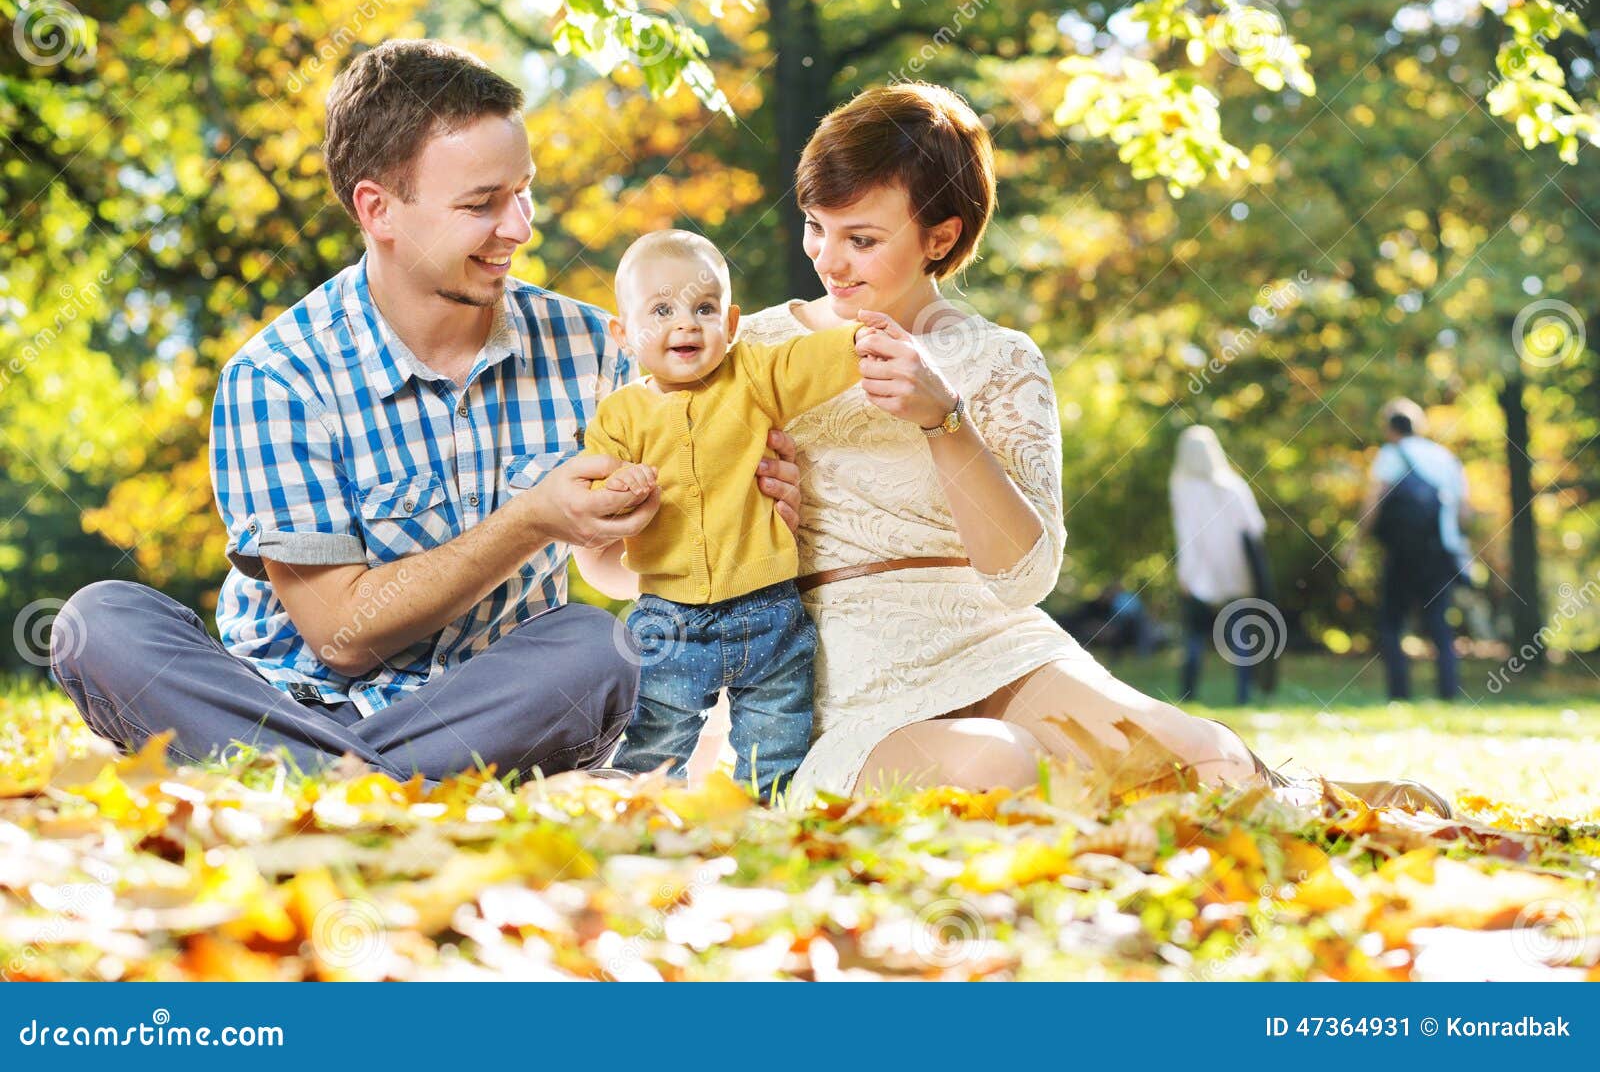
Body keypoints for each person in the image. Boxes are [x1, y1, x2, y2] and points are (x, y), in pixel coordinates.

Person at [46, 40, 807, 786]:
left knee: (597, 646)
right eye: (482, 204)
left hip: (485, 706)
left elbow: (619, 564)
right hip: (281, 702)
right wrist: (533, 518)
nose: (519, 227)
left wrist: (742, 503)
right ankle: (362, 783)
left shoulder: (592, 350)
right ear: (378, 209)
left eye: (523, 190)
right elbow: (340, 638)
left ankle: (303, 785)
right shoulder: (277, 376)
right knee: (98, 620)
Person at [733, 82, 1449, 816]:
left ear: (939, 238)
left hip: (992, 642)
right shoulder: (749, 348)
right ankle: (1183, 797)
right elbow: (664, 557)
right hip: (836, 668)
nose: (828, 258)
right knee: (1000, 766)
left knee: (1208, 764)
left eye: (862, 239)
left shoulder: (1000, 360)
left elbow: (1023, 577)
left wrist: (943, 420)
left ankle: (1287, 793)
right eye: (816, 226)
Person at [576, 230, 873, 799]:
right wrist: (620, 484)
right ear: (623, 334)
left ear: (731, 325)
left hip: (769, 609)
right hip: (670, 617)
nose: (686, 324)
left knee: (778, 735)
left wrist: (859, 340)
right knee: (657, 737)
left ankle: (761, 823)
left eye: (704, 308)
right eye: (660, 310)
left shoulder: (753, 379)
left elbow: (804, 362)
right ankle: (648, 824)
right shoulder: (620, 415)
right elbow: (593, 495)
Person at [1361, 398, 1470, 701]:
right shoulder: (1444, 457)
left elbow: (1373, 502)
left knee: (1392, 622)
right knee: (1439, 621)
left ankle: (1399, 693)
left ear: (1389, 427)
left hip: (1402, 552)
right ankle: (1449, 692)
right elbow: (1464, 511)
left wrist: (1358, 541)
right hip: (1441, 551)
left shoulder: (1390, 455)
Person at [1170, 425, 1271, 705]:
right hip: (1236, 570)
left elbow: (1185, 534)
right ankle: (1244, 693)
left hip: (1200, 569)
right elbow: (1255, 527)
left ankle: (1187, 694)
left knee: (1195, 633)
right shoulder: (1233, 485)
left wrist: (1185, 574)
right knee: (1239, 630)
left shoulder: (1182, 487)